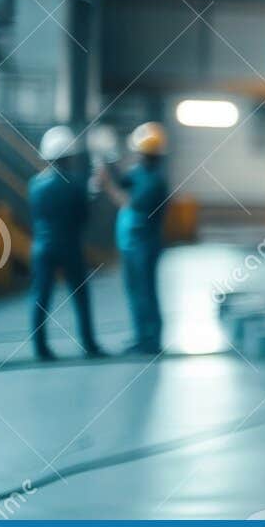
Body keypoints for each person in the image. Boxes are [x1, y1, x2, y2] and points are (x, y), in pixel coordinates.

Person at [29, 127, 103, 361]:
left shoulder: (35, 184)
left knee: (41, 298)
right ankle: (89, 345)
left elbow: (35, 215)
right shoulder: (76, 184)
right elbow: (83, 217)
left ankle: (40, 349)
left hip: (42, 247)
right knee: (81, 297)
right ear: (68, 157)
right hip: (69, 246)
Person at [96, 122, 170, 355]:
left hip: (145, 245)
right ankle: (141, 336)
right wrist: (109, 163)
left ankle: (152, 340)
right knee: (134, 290)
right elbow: (124, 180)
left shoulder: (154, 181)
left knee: (145, 291)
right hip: (131, 243)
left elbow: (128, 203)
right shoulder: (139, 173)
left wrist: (107, 185)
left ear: (142, 153)